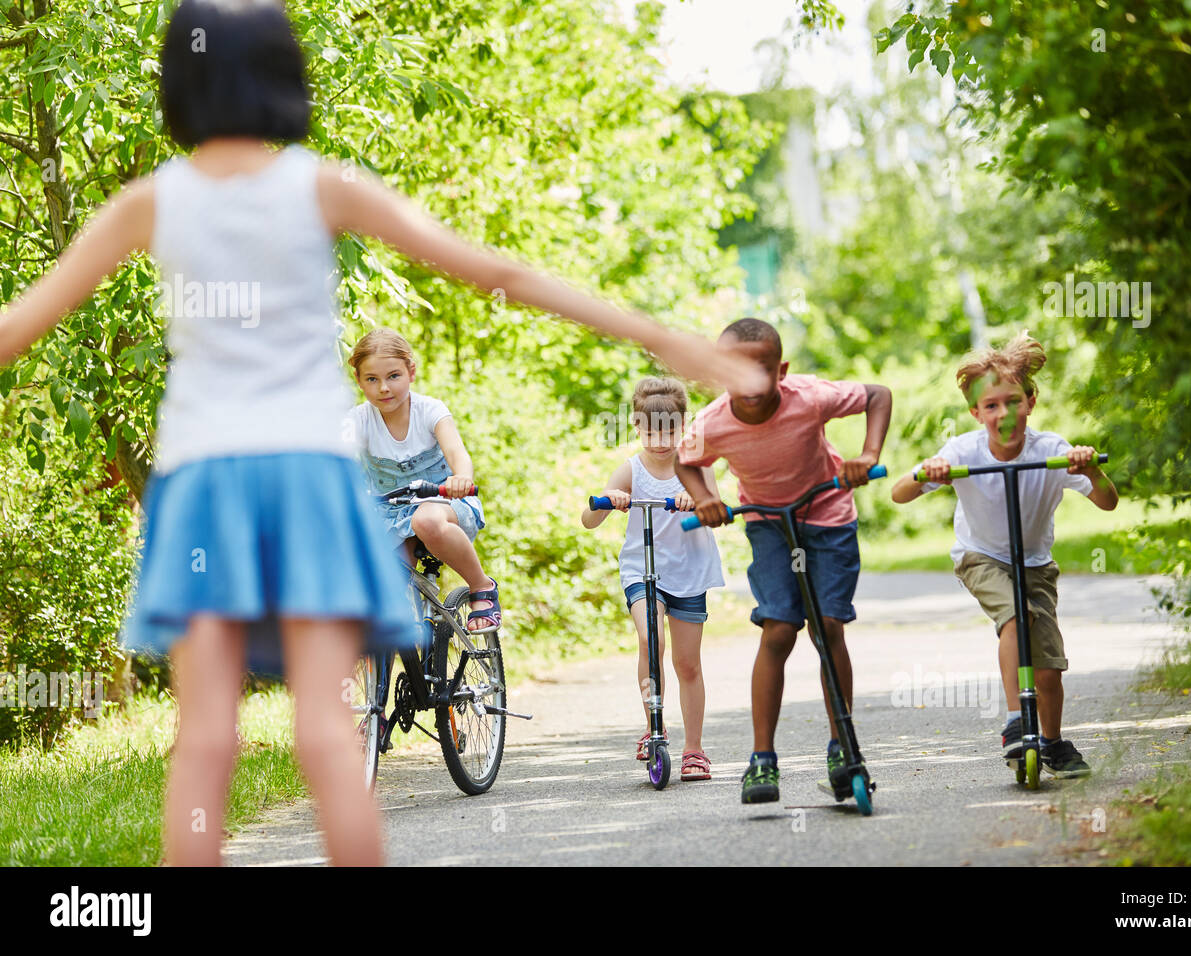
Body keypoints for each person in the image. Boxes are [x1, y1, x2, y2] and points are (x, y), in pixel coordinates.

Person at [0, 0, 763, 864]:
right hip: (308, 478)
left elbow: (19, 326)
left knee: (205, 737)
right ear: (289, 79)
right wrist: (662, 338)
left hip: (202, 480)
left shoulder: (148, 202)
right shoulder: (324, 185)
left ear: (180, 80)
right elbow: (497, 272)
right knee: (326, 729)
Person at [674, 317, 893, 804]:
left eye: (763, 370)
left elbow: (877, 394)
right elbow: (685, 460)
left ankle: (842, 747)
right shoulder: (712, 422)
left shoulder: (809, 397)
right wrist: (706, 497)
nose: (750, 383)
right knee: (778, 629)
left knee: (828, 627)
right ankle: (762, 760)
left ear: (782, 370)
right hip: (768, 524)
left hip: (829, 517)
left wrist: (867, 453)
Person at [890, 331, 1118, 776]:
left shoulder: (1051, 450)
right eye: (990, 405)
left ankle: (1050, 741)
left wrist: (1088, 467)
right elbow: (900, 494)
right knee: (1016, 618)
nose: (1003, 412)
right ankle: (1019, 720)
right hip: (982, 557)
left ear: (1030, 402)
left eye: (1012, 401)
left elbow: (1107, 501)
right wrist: (924, 473)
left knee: (1049, 666)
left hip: (1035, 564)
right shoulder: (964, 451)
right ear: (976, 412)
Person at [580, 377, 725, 780]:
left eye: (669, 430)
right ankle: (654, 725)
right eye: (650, 430)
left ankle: (694, 749)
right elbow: (589, 520)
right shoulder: (631, 468)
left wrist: (697, 501)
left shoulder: (696, 466)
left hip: (690, 572)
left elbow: (717, 509)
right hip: (642, 569)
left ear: (683, 426)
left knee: (687, 663)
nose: (660, 439)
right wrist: (611, 499)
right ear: (637, 426)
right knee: (650, 637)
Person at [347, 328, 500, 633]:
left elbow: (457, 452)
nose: (383, 388)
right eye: (372, 379)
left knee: (427, 520)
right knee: (383, 585)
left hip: (443, 502)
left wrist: (461, 478)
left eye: (393, 376)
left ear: (411, 372)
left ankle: (482, 587)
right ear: (359, 381)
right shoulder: (358, 421)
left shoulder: (430, 411)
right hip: (390, 512)